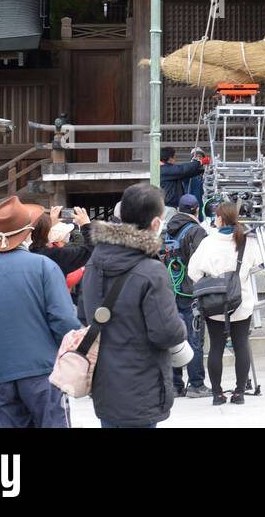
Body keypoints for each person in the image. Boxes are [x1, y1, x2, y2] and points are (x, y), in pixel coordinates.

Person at [77, 183, 192, 428]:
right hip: (142, 385)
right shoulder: (151, 271)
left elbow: (83, 315)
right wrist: (180, 323)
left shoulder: (94, 262)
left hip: (105, 384)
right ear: (154, 224)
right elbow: (166, 332)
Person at [0, 197, 80, 428]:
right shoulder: (44, 267)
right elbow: (64, 321)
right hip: (44, 368)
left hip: (2, 370)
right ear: (27, 233)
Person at [187, 199, 264, 405]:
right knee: (241, 346)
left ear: (219, 219)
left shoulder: (208, 242)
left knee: (216, 349)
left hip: (214, 304)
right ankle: (239, 393)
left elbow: (193, 272)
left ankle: (217, 394)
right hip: (241, 302)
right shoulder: (247, 241)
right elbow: (258, 265)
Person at [163, 194, 209, 398]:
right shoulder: (196, 231)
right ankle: (196, 384)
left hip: (170, 290)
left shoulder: (167, 230)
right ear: (196, 210)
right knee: (194, 338)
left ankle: (175, 384)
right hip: (190, 292)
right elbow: (202, 262)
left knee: (174, 337)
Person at [31, 206, 94, 301]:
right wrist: (86, 225)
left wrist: (47, 225)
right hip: (54, 305)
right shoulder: (55, 255)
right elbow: (90, 250)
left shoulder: (21, 252)